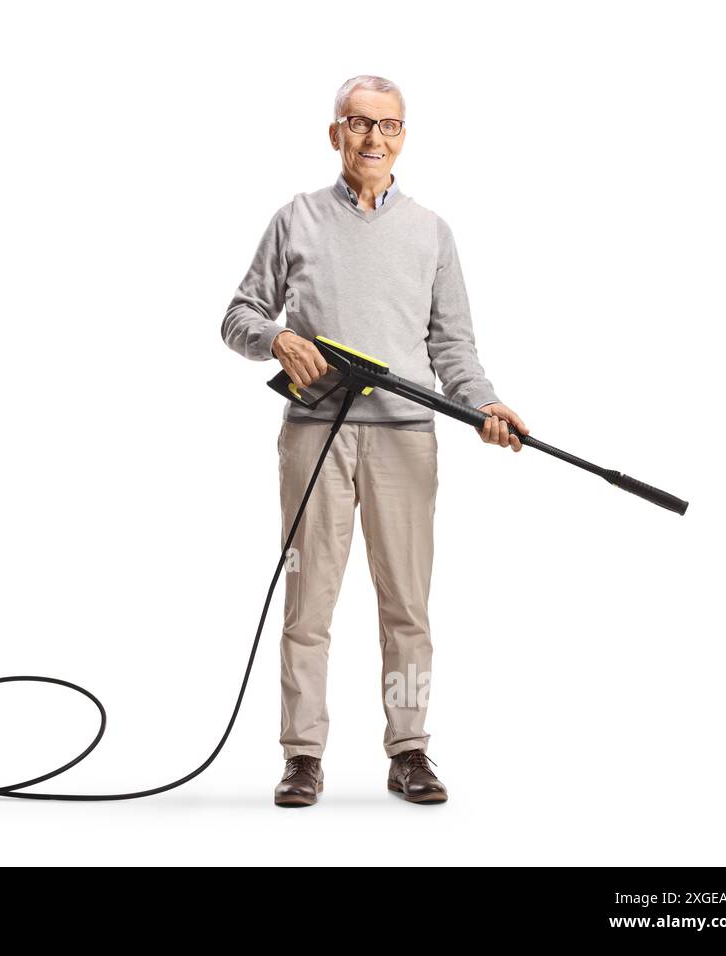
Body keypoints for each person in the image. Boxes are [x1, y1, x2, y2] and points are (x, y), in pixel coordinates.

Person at [220, 74, 529, 808]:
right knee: (307, 605)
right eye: (358, 123)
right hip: (312, 440)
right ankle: (302, 755)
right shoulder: (294, 219)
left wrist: (483, 403)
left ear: (403, 137)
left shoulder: (431, 232)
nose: (373, 138)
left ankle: (410, 749)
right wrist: (276, 337)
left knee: (407, 606)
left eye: (388, 126)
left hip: (405, 443)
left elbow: (453, 346)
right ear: (335, 133)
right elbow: (238, 316)